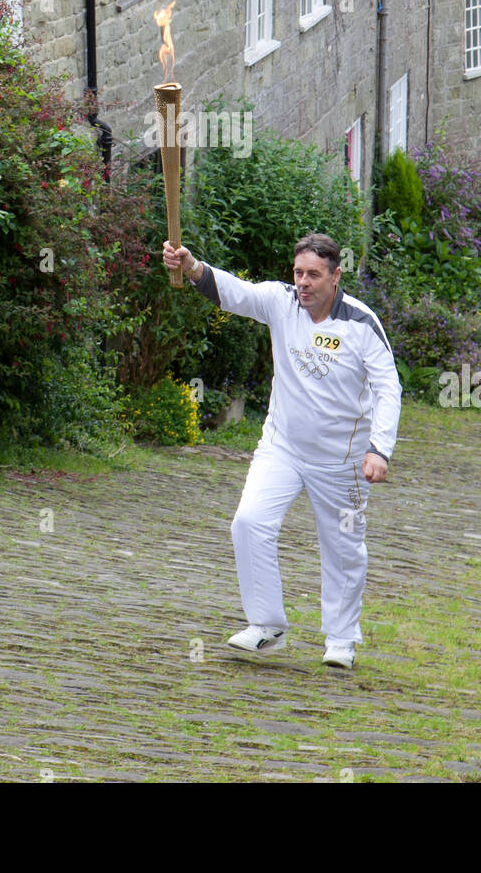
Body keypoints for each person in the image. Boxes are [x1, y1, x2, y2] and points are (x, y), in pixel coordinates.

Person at [162, 233, 401, 670]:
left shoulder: (362, 324)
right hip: (282, 448)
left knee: (344, 546)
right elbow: (237, 293)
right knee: (249, 521)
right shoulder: (280, 302)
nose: (303, 283)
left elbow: (389, 388)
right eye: (298, 273)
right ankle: (267, 625)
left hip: (342, 461)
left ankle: (342, 640)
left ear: (335, 276)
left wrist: (379, 450)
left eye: (313, 274)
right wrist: (193, 268)